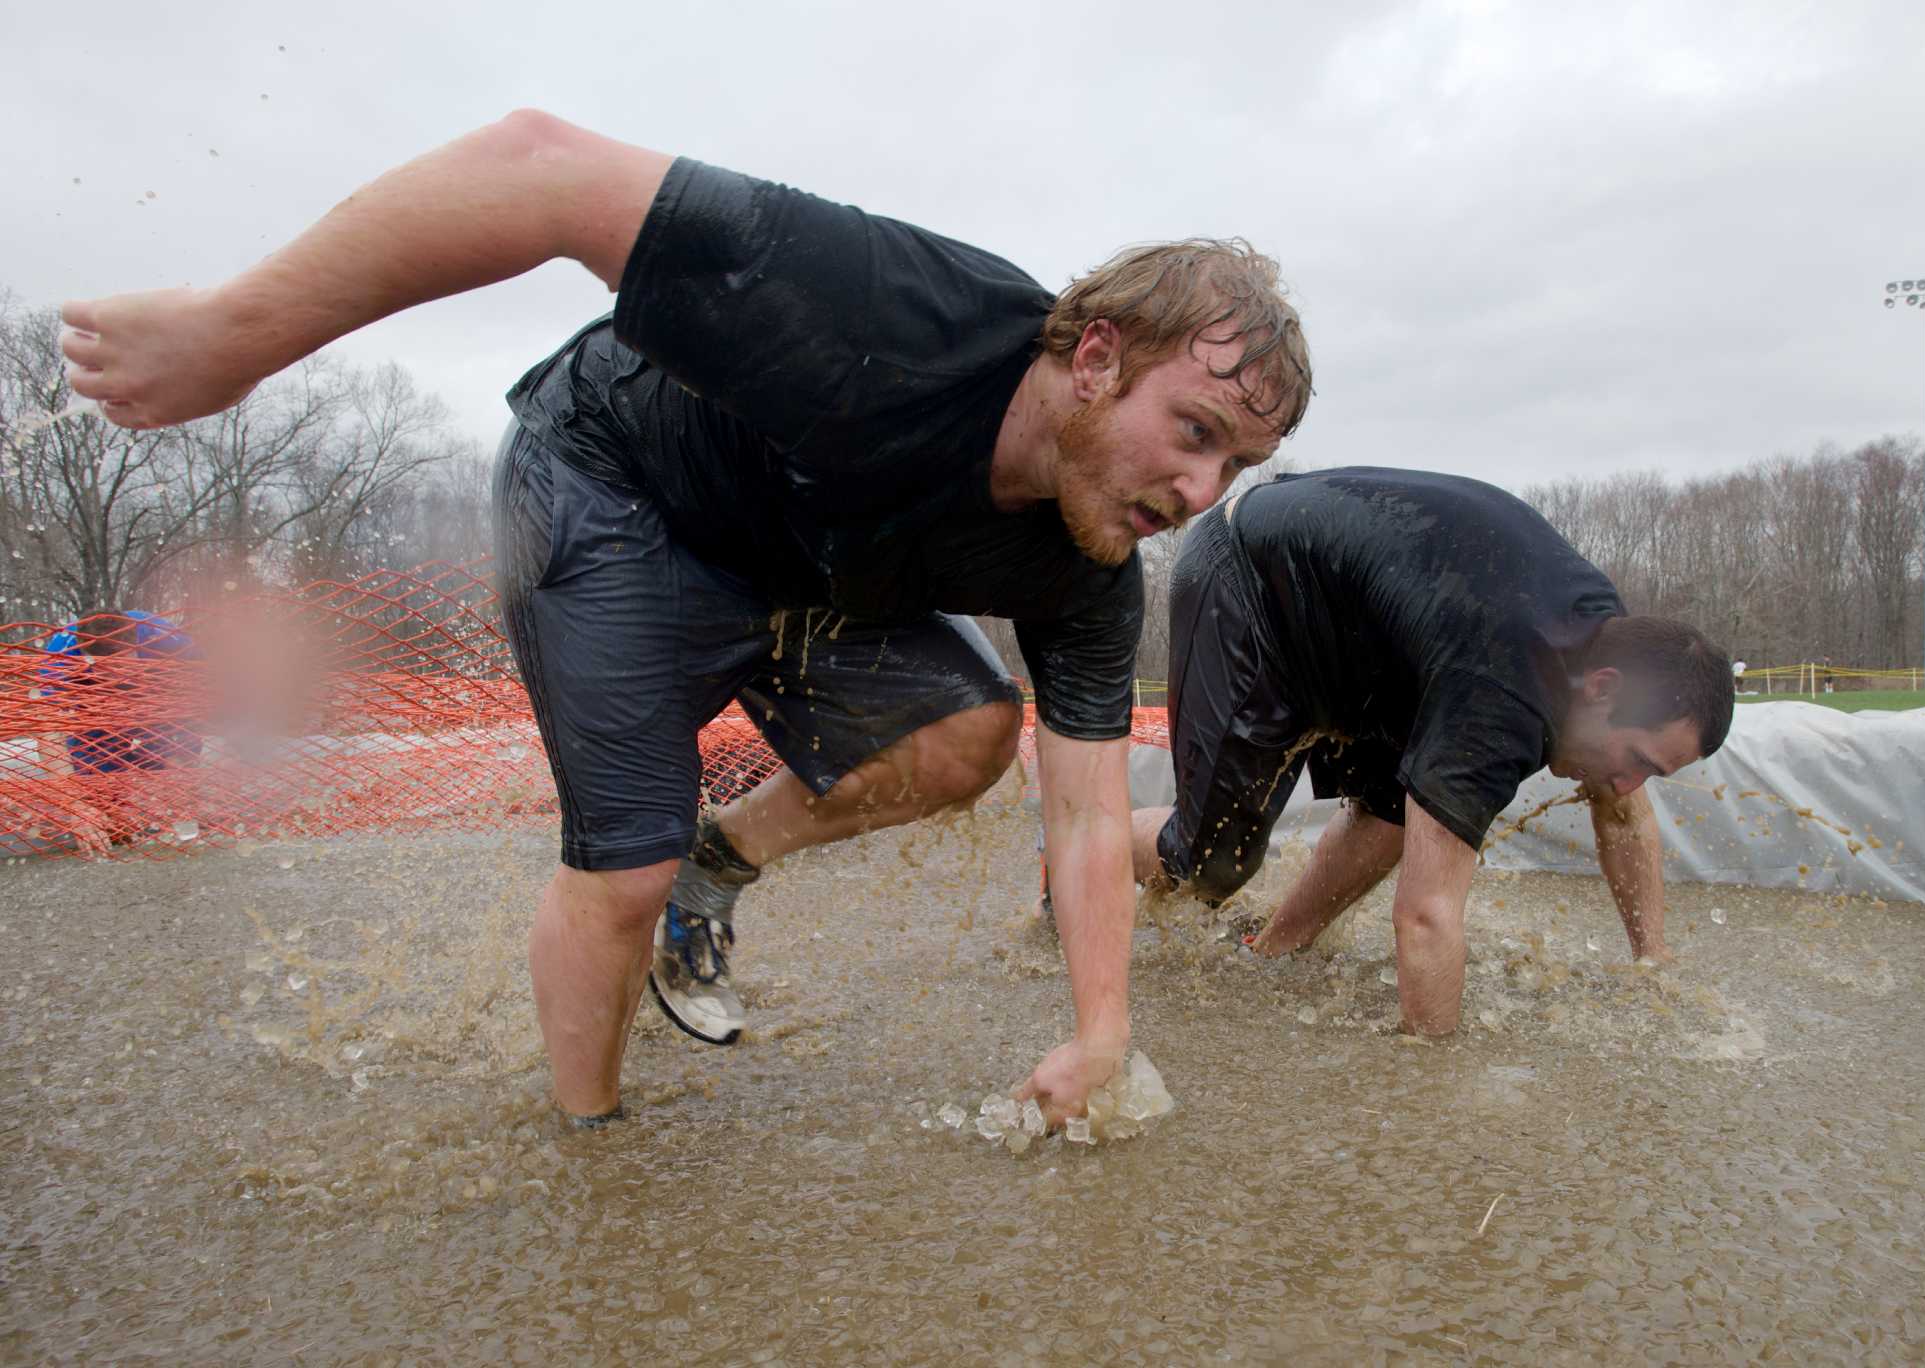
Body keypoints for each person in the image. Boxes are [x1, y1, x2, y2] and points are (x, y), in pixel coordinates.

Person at [60, 112, 1312, 1126]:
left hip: (793, 573)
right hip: (614, 486)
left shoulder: (1090, 565)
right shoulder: (883, 311)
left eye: (1234, 469)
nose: (1199, 495)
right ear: (1093, 357)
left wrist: (1100, 1037)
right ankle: (591, 1145)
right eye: (1193, 433)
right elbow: (536, 169)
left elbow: (1092, 814)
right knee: (621, 863)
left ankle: (718, 870)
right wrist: (234, 335)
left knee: (970, 736)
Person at [1123, 469, 1733, 1037]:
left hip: (1367, 633)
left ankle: (1274, 949)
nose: (1629, 786)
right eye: (1641, 763)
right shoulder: (1502, 689)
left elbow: (1623, 814)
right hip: (1249, 577)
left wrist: (1654, 965)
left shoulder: (1604, 653)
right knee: (1209, 865)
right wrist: (1439, 1090)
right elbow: (1425, 916)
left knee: (1400, 809)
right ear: (1603, 688)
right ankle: (1081, 852)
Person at [37, 610, 203, 847]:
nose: (120, 681)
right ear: (85, 657)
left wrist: (176, 771)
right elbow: (49, 733)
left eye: (125, 669)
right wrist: (77, 807)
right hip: (94, 713)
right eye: (108, 674)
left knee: (177, 797)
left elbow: (191, 704)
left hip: (157, 703)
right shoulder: (60, 658)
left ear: (136, 644)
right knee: (112, 821)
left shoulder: (167, 640)